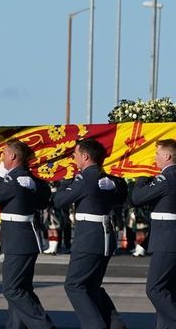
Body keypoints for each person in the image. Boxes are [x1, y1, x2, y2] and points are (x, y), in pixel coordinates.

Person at [55, 139, 128, 329]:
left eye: (76, 154)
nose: (74, 157)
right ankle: (115, 324)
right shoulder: (108, 178)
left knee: (74, 285)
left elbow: (59, 201)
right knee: (91, 287)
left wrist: (65, 182)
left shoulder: (85, 178)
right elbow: (122, 196)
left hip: (89, 237)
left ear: (85, 157)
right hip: (105, 235)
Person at [0, 139, 55, 329]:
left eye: (4, 154)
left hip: (18, 242)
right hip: (25, 240)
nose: (2, 157)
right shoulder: (30, 180)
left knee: (12, 290)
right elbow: (44, 199)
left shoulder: (12, 181)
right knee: (22, 290)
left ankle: (44, 326)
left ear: (13, 157)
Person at [131, 139, 176, 329]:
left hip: (168, 240)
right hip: (173, 239)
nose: (154, 158)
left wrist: (141, 176)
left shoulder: (166, 178)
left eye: (157, 154)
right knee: (169, 293)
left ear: (167, 156)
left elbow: (137, 198)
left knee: (155, 289)